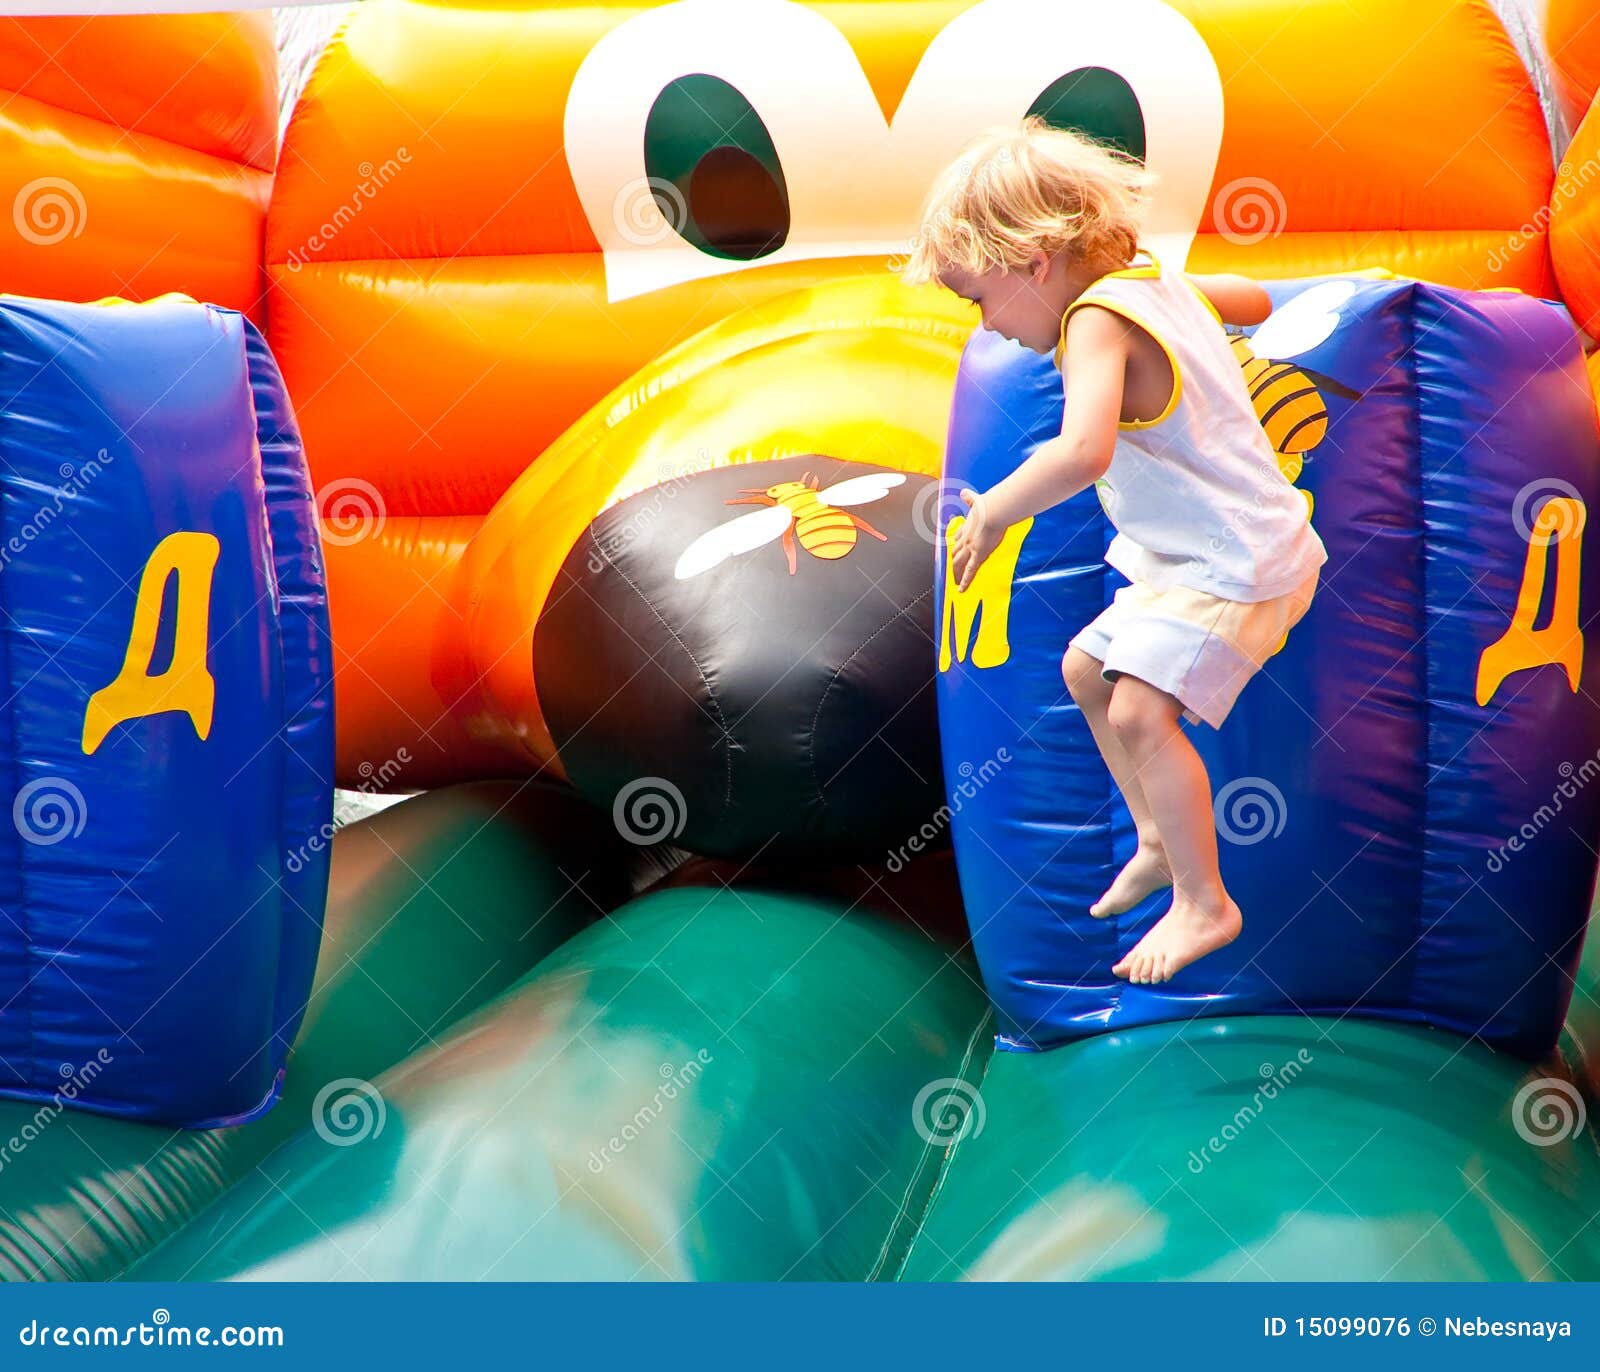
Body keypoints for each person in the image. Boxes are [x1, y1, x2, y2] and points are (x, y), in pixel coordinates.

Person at [897, 116, 1327, 985]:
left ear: (1034, 262)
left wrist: (992, 515)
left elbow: (1081, 450)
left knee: (1138, 712)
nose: (985, 326)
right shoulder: (1150, 283)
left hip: (1236, 567)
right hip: (1193, 562)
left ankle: (1207, 902)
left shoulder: (1094, 319)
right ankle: (1160, 838)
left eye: (977, 299)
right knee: (1085, 672)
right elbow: (1243, 297)